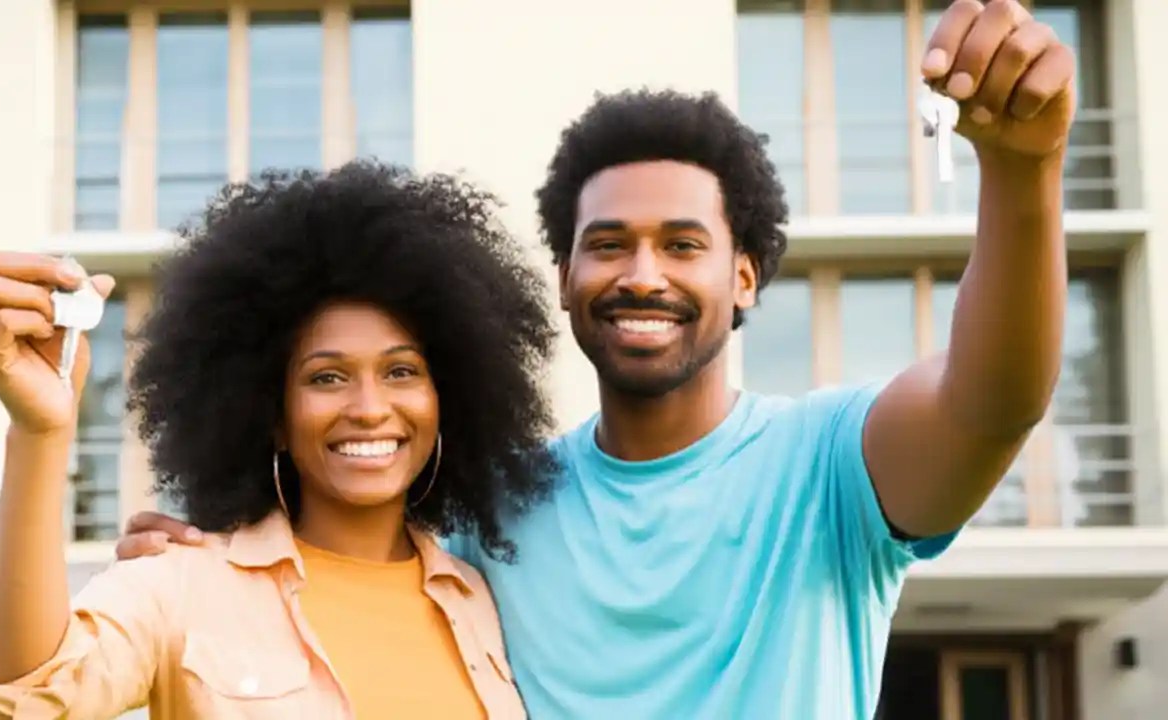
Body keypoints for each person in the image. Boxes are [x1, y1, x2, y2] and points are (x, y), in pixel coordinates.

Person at [119, 1, 1076, 717]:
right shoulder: (494, 506)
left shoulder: (832, 466)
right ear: (567, 275)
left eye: (684, 244)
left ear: (744, 277)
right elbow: (351, 568)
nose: (642, 273)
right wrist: (225, 564)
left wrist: (1024, 170)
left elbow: (993, 399)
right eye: (609, 243)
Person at [0, 161, 559, 719]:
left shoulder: (480, 599)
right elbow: (29, 689)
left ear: (446, 395)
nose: (371, 409)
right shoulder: (183, 582)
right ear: (270, 411)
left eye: (401, 371)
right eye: (327, 377)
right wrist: (40, 432)